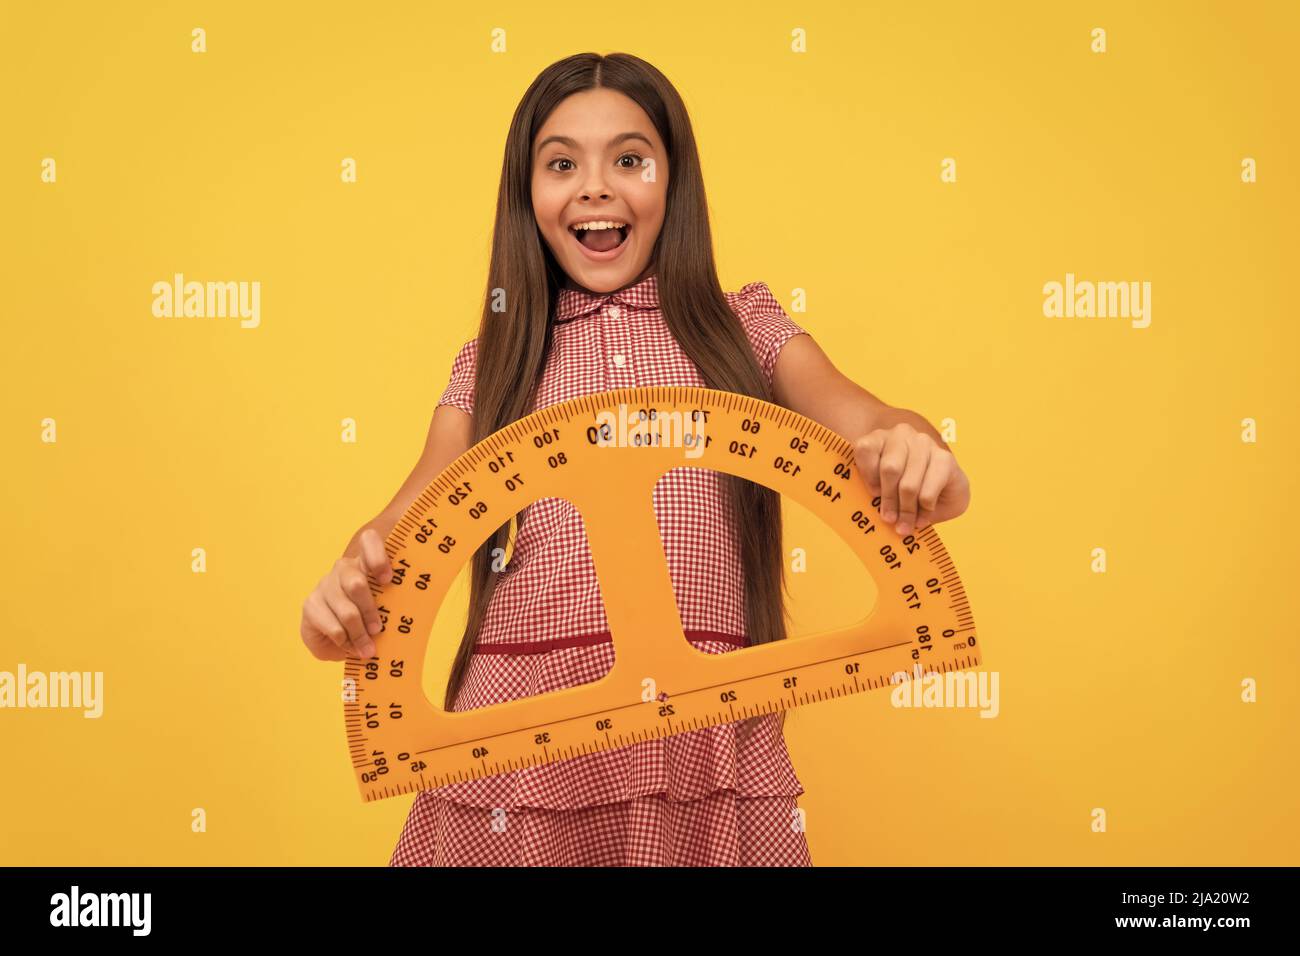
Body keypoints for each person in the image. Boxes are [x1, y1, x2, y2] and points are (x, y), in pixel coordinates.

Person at [300, 52, 971, 867]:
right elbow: (394, 541)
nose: (594, 187)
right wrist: (338, 599)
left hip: (703, 729)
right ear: (527, 197)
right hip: (519, 743)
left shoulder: (743, 329)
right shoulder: (492, 363)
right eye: (560, 164)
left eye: (629, 159)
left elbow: (881, 425)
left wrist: (914, 452)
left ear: (673, 185)